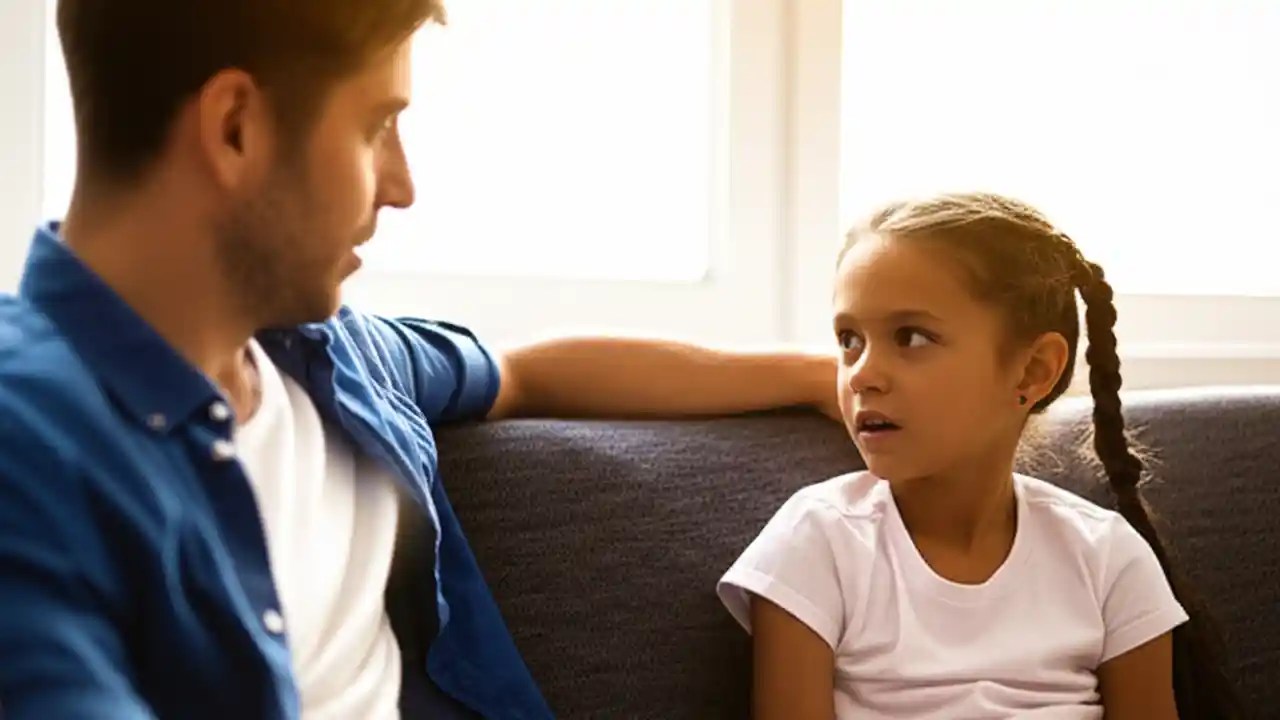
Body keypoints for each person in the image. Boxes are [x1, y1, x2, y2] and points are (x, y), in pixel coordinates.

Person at [0, 2, 839, 719]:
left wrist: (812, 376)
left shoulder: (334, 359)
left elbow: (526, 373)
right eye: (375, 127)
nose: (401, 186)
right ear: (236, 129)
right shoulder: (30, 450)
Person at [717, 192, 1242, 719]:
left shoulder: (1108, 558)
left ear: (1032, 371)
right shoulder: (817, 541)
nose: (862, 374)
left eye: (912, 337)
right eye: (849, 339)